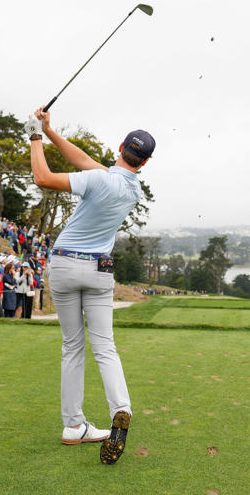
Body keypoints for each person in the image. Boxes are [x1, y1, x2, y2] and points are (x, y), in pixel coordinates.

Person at [27, 109, 155, 464]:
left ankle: (73, 426)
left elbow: (42, 177)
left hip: (65, 265)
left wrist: (34, 136)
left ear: (119, 147)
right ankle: (121, 409)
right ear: (144, 162)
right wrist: (51, 132)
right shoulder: (133, 189)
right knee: (105, 347)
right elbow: (84, 160)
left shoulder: (99, 181)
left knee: (72, 346)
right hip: (100, 272)